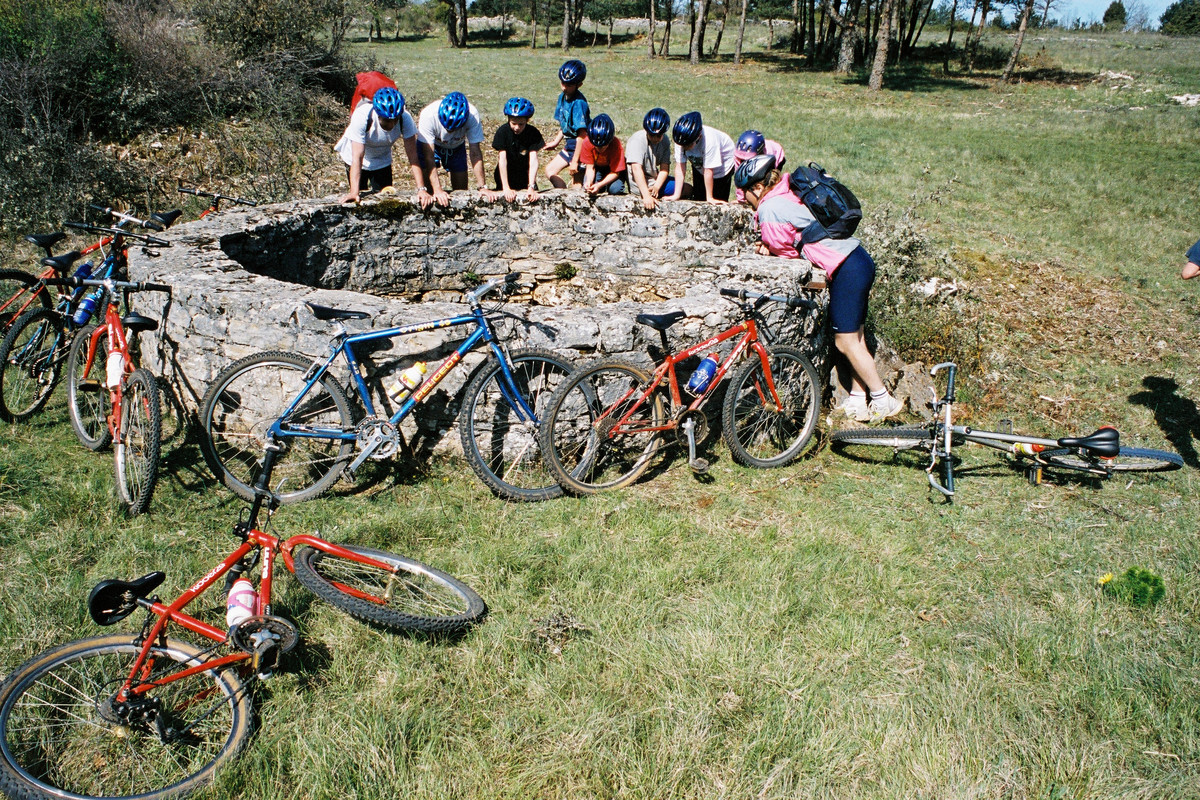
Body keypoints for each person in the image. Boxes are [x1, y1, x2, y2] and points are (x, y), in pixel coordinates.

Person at [735, 154, 902, 422]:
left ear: (757, 188)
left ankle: (883, 400)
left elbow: (782, 247)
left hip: (846, 268)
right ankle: (858, 401)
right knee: (856, 338)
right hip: (858, 259)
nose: (746, 200)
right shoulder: (788, 190)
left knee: (845, 341)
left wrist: (769, 250)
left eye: (746, 193)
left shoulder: (770, 207)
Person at [335, 88, 432, 208]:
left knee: (385, 202)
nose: (391, 125)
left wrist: (421, 189)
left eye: (395, 120)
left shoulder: (405, 118)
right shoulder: (362, 116)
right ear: (378, 114)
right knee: (359, 201)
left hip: (381, 159)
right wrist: (354, 192)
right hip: (355, 159)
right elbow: (357, 157)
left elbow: (413, 156)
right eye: (386, 121)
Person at [416, 91, 497, 204]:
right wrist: (437, 189)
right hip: (432, 145)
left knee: (461, 191)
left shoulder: (472, 116)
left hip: (456, 147)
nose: (449, 131)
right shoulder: (428, 114)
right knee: (430, 192)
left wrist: (482, 186)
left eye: (454, 128)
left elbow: (475, 153)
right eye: (447, 127)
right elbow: (428, 156)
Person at [665, 111, 737, 205]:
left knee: (717, 201)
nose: (684, 147)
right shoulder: (681, 139)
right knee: (698, 198)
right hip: (699, 163)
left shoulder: (710, 141)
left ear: (698, 136)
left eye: (688, 145)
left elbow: (709, 171)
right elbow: (680, 167)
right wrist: (676, 195)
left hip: (722, 168)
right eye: (683, 145)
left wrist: (710, 197)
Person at [543, 59, 590, 189]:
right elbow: (564, 125)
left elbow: (582, 134)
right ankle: (562, 194)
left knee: (576, 183)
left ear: (579, 85)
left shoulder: (579, 103)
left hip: (580, 146)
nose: (564, 87)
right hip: (569, 145)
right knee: (550, 171)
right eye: (563, 83)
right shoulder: (562, 97)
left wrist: (575, 161)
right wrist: (555, 142)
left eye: (569, 85)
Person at [625, 108, 684, 210]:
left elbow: (664, 168)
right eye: (652, 135)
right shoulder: (637, 140)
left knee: (687, 188)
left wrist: (657, 186)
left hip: (654, 181)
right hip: (639, 184)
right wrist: (646, 196)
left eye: (659, 136)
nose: (655, 139)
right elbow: (636, 169)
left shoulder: (665, 141)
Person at [492, 97, 544, 203]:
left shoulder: (533, 133)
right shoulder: (503, 132)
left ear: (527, 121)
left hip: (524, 173)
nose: (517, 128)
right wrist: (505, 187)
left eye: (521, 124)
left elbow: (533, 160)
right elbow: (502, 160)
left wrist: (531, 186)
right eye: (513, 123)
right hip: (506, 172)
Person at [732, 130, 786, 204]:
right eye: (742, 159)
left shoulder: (769, 156)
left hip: (777, 156)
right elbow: (741, 178)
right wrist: (741, 200)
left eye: (748, 159)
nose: (744, 161)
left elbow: (771, 177)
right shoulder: (738, 157)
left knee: (768, 181)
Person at [578, 114, 626, 196]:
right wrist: (588, 182)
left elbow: (615, 172)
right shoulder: (587, 142)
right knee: (589, 186)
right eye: (596, 146)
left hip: (613, 171)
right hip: (597, 168)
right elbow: (590, 168)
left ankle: (606, 186)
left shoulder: (616, 145)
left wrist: (599, 185)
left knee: (615, 190)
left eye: (603, 146)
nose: (600, 149)